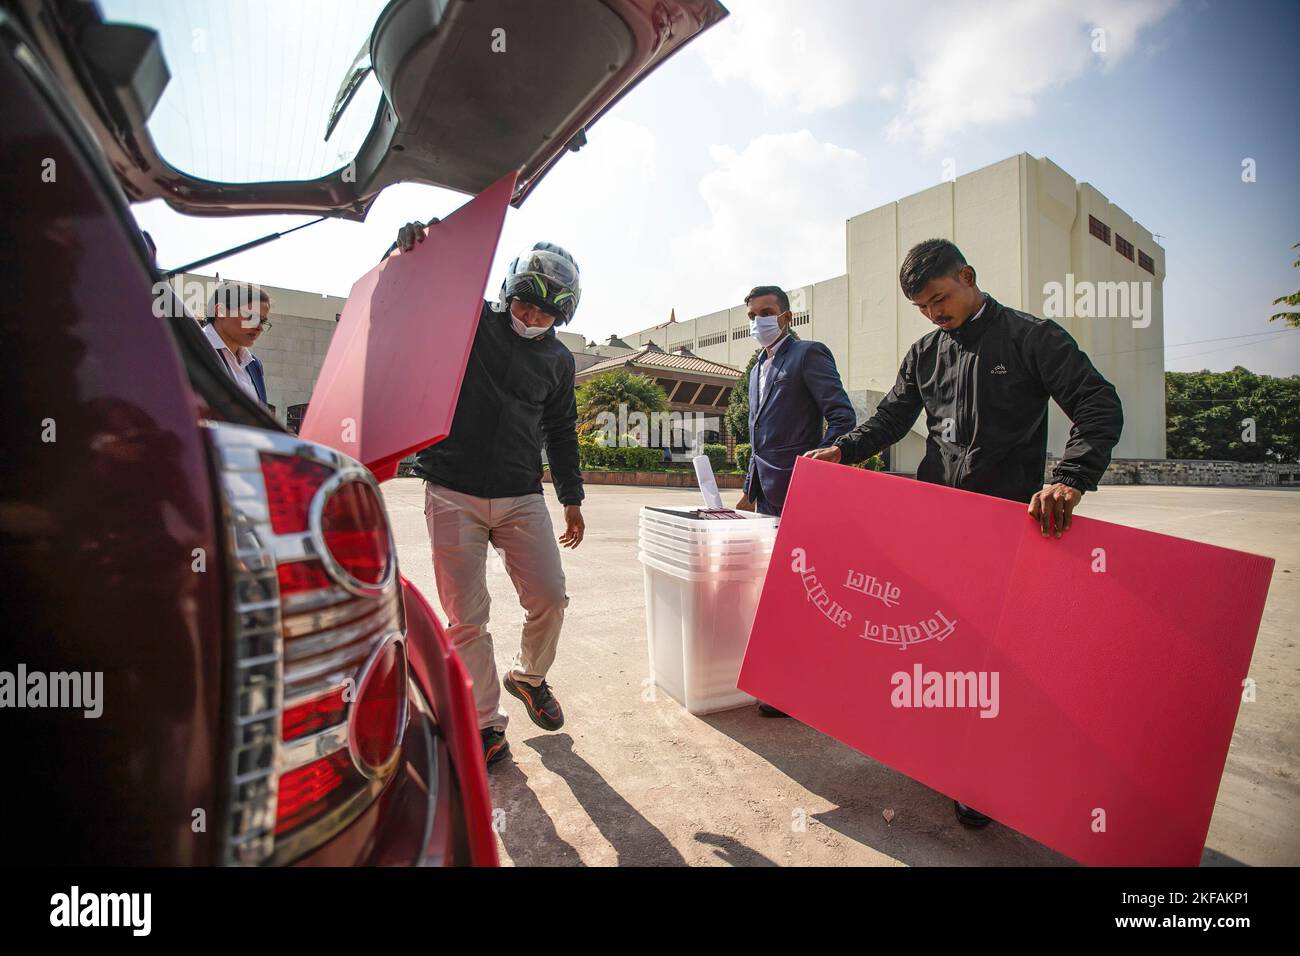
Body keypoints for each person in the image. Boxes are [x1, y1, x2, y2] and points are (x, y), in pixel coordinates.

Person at [805, 238, 1124, 826]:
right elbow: (892, 419)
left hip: (1006, 523)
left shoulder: (1032, 337)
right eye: (922, 307)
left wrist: (1070, 479)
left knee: (991, 656)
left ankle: (980, 777)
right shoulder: (925, 352)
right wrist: (843, 451)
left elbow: (1098, 403)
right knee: (933, 643)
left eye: (940, 299)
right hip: (937, 523)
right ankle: (938, 752)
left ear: (968, 276)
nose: (934, 313)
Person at [393, 221, 586, 768]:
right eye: (525, 308)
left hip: (522, 494)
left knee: (550, 595)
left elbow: (562, 430)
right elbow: (417, 289)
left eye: (546, 316)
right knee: (467, 616)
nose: (532, 320)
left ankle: (529, 677)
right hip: (452, 490)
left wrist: (571, 497)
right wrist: (409, 249)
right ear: (508, 293)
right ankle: (485, 723)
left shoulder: (559, 360)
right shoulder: (470, 319)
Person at [735, 284, 855, 718]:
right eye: (752, 315)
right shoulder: (756, 370)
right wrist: (749, 489)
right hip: (766, 494)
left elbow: (842, 417)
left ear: (786, 317)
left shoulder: (808, 355)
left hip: (801, 492)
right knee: (772, 590)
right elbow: (758, 440)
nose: (758, 321)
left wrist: (814, 467)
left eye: (766, 312)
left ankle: (794, 686)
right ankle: (781, 680)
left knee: (798, 591)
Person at [203, 281, 270, 405]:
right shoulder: (187, 350)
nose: (259, 327)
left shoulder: (254, 365)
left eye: (263, 321)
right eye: (251, 317)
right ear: (221, 310)